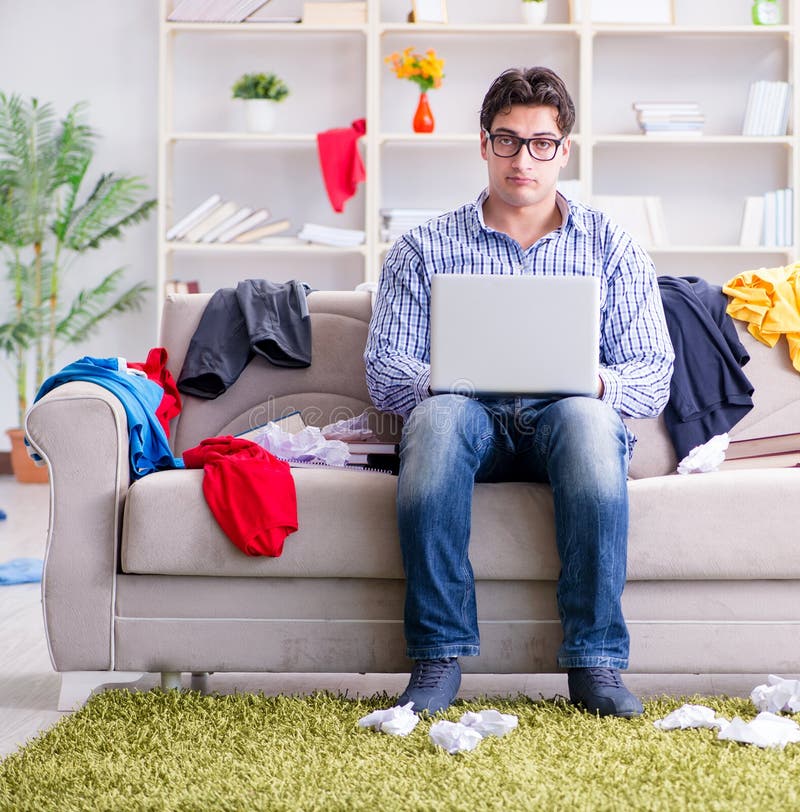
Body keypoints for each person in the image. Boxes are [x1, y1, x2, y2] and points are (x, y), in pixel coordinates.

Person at [364, 66, 675, 718]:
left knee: (591, 424)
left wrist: (592, 382)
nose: (522, 159)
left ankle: (596, 662)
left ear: (565, 151)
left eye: (541, 143)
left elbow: (652, 371)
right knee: (438, 420)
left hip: (565, 418)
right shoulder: (422, 246)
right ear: (482, 144)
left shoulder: (611, 245)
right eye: (506, 140)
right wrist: (445, 375)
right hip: (465, 413)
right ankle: (437, 655)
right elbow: (385, 370)